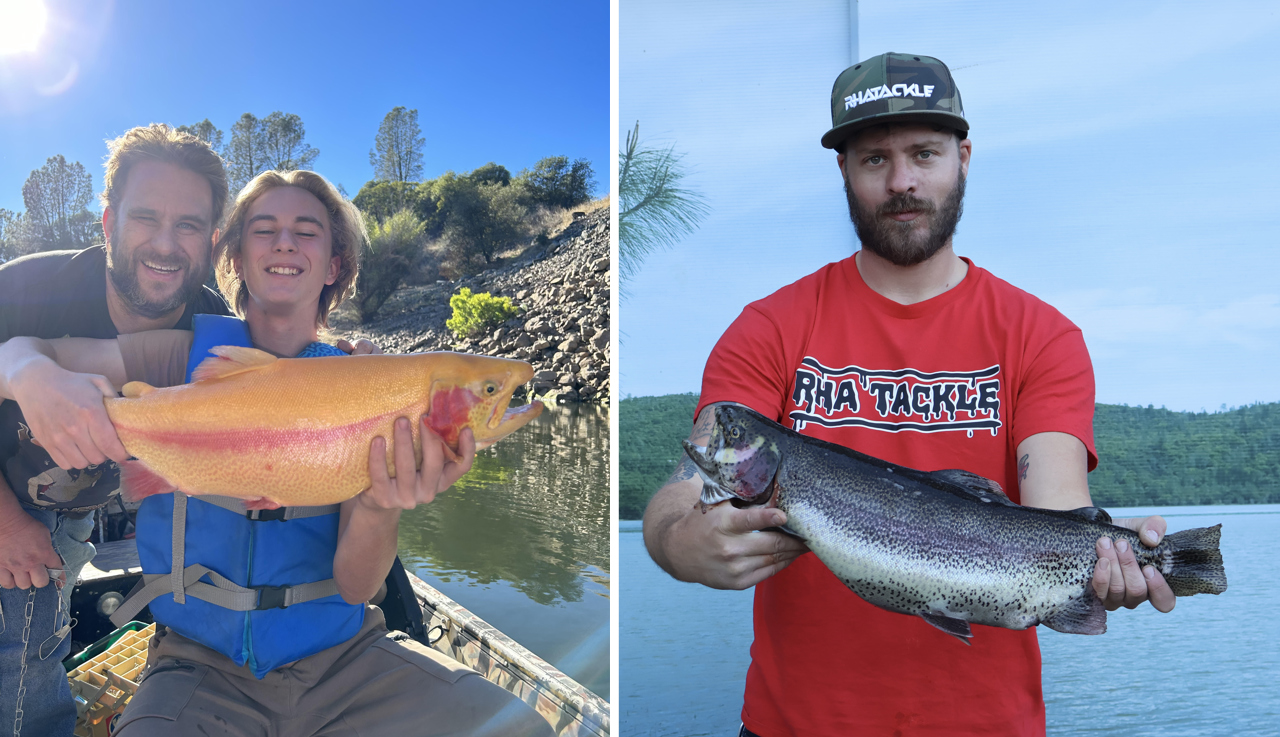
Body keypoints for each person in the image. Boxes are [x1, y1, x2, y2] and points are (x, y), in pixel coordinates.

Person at [642, 53, 1176, 736]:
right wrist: (678, 542)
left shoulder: (1042, 335)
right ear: (843, 170)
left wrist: (1115, 559)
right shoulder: (768, 327)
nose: (902, 181)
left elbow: (1059, 509)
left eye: (924, 153)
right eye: (874, 160)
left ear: (964, 156)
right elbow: (685, 490)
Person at [0, 169, 554, 737]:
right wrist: (30, 370)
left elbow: (359, 589)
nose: (285, 242)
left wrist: (381, 505)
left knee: (523, 729)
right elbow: (23, 351)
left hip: (346, 664)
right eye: (264, 229)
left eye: (306, 231)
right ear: (235, 258)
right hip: (196, 668)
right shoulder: (175, 354)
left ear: (335, 264)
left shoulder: (371, 379)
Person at [0, 123, 233, 737]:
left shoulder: (216, 326)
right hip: (11, 497)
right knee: (22, 654)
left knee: (47, 619)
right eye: (145, 218)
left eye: (188, 225)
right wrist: (5, 521)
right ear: (107, 222)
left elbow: (282, 384)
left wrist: (350, 360)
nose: (165, 243)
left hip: (89, 503)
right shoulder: (26, 290)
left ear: (210, 241)